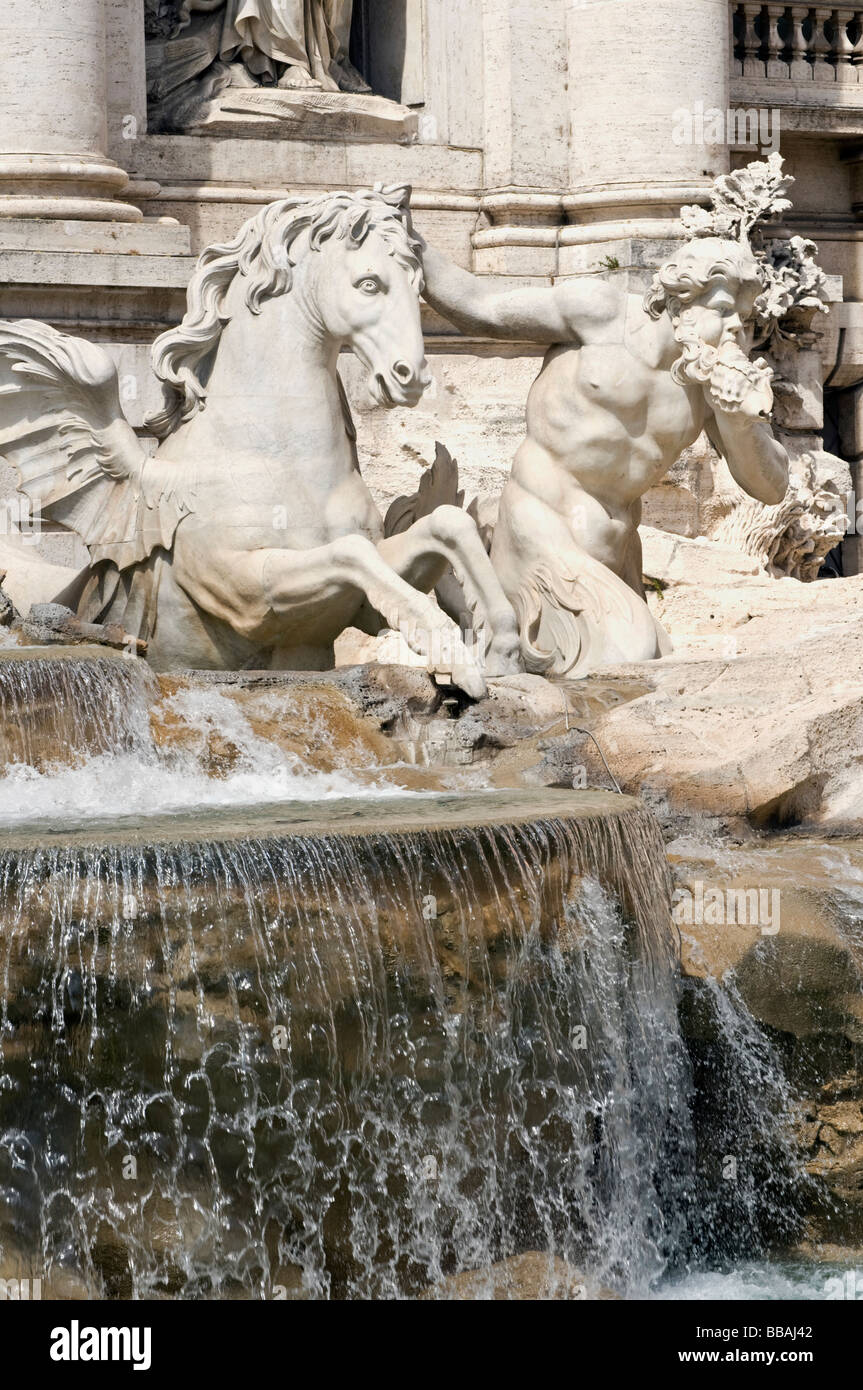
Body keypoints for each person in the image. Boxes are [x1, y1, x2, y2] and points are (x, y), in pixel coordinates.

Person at [419, 236, 789, 675]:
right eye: (724, 310)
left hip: (618, 558)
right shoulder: (602, 314)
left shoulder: (709, 385)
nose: (736, 331)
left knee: (654, 672)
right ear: (679, 300)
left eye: (744, 320)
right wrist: (409, 242)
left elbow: (770, 487)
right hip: (539, 531)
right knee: (627, 660)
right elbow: (482, 308)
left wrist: (741, 419)